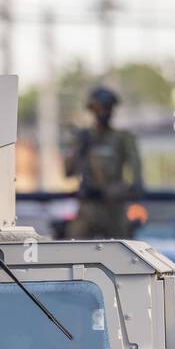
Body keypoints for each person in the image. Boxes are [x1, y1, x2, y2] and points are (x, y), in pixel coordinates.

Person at [65, 87, 143, 240]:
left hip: (114, 210)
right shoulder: (83, 138)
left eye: (107, 108)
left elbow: (137, 176)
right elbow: (68, 171)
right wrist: (80, 149)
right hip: (88, 209)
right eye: (99, 109)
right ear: (92, 111)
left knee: (122, 250)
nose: (103, 113)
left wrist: (124, 188)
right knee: (73, 247)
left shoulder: (123, 138)